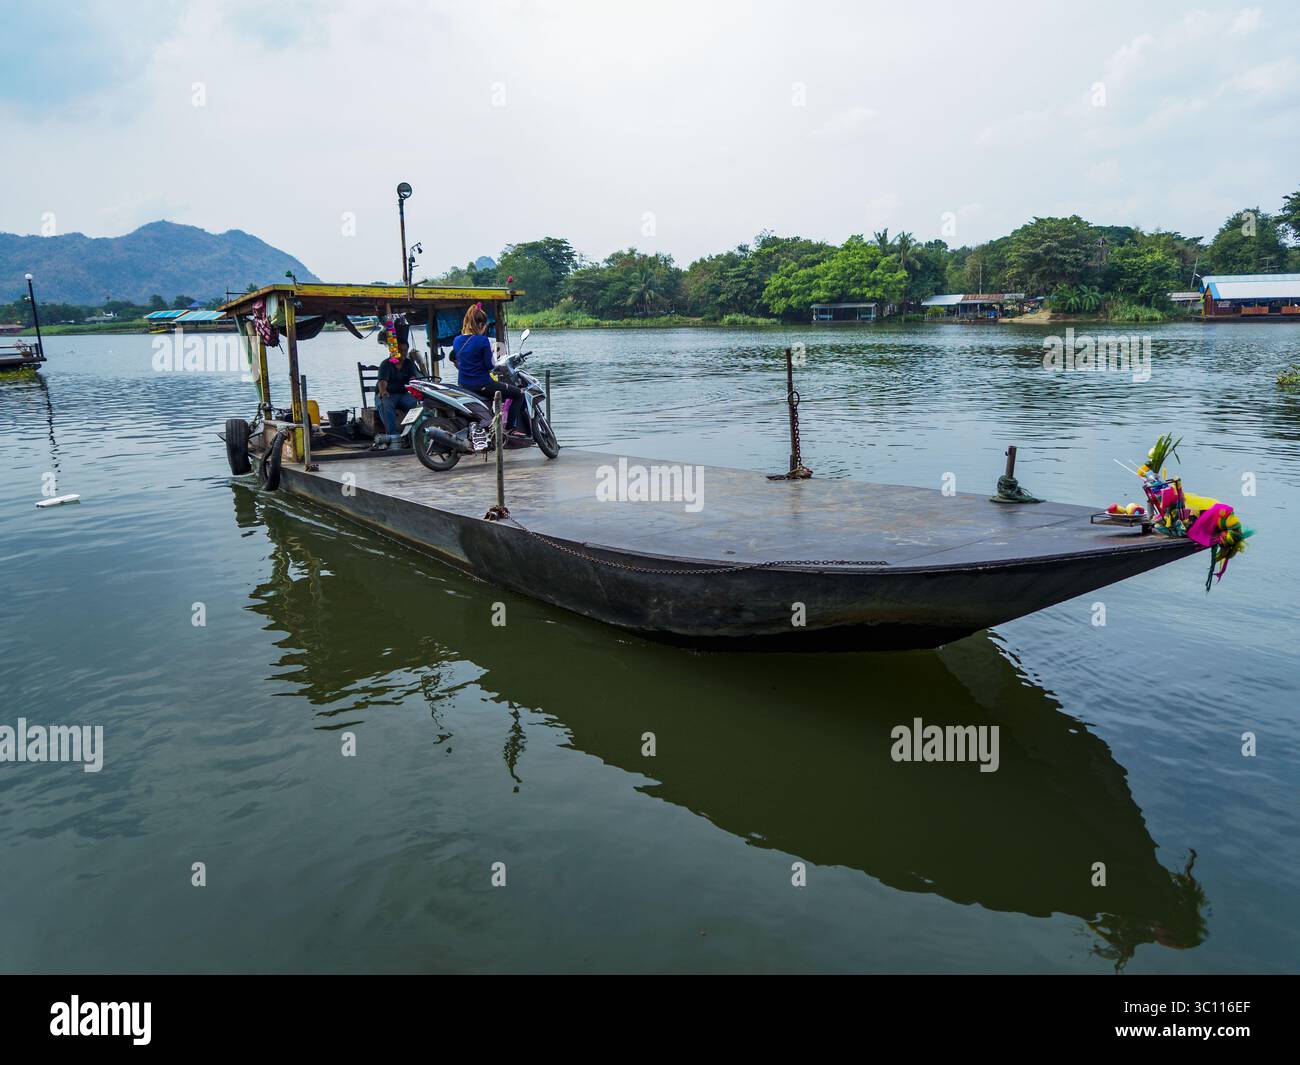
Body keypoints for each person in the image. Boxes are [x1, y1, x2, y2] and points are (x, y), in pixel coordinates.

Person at [453, 304, 526, 436]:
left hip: (463, 384)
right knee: (519, 394)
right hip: (481, 384)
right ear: (481, 325)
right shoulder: (482, 341)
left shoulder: (457, 340)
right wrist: (491, 351)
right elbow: (489, 365)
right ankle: (510, 428)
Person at [374, 331, 418, 447]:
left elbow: (413, 379)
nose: (403, 353)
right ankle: (393, 436)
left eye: (405, 351)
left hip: (403, 394)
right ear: (393, 350)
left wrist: (415, 390)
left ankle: (414, 434)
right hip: (387, 394)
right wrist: (383, 391)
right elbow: (382, 381)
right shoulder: (386, 364)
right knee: (386, 404)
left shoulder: (409, 364)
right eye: (400, 350)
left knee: (414, 404)